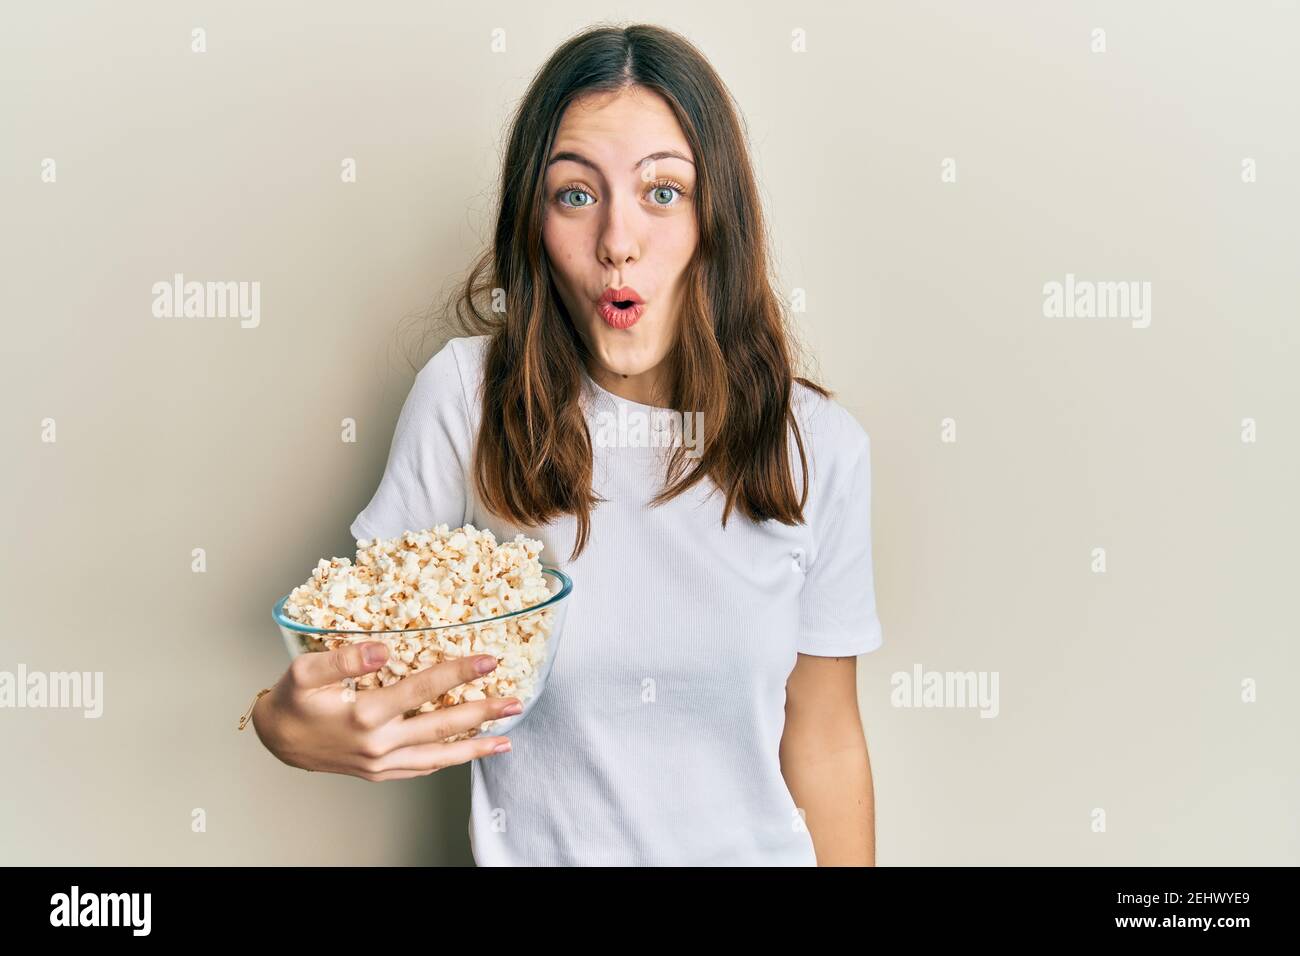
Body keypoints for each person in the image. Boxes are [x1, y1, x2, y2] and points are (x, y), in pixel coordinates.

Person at [251, 22, 884, 866]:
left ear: (716, 218)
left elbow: (826, 736)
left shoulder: (817, 448)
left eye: (664, 192)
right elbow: (353, 668)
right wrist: (278, 725)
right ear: (536, 221)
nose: (618, 241)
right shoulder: (467, 400)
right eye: (575, 195)